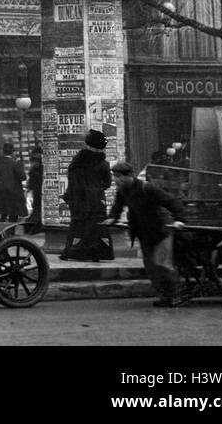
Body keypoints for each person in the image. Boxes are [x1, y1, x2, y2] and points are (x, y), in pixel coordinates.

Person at [103, 162, 187, 306]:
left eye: (118, 176)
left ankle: (176, 295)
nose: (115, 180)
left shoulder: (147, 187)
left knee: (162, 265)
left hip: (161, 231)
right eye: (114, 177)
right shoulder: (123, 190)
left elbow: (171, 202)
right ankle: (165, 297)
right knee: (152, 269)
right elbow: (118, 206)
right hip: (144, 233)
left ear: (128, 176)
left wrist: (179, 220)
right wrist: (112, 218)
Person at [61, 129, 114, 261]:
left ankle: (73, 252)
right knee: (96, 227)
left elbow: (72, 181)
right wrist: (96, 189)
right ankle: (95, 253)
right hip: (96, 201)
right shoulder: (103, 164)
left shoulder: (77, 162)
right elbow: (107, 183)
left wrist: (70, 195)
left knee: (78, 226)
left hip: (78, 200)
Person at [0, 141, 28, 223]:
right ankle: (10, 231)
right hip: (14, 192)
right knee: (13, 213)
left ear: (3, 152)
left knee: (3, 212)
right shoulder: (15, 163)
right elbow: (23, 177)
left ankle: (2, 229)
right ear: (12, 153)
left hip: (1, 192)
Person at [24, 145, 44, 233]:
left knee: (36, 208)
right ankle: (34, 227)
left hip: (36, 191)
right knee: (38, 208)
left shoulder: (34, 169)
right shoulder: (41, 168)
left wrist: (28, 188)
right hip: (40, 191)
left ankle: (32, 227)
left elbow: (31, 182)